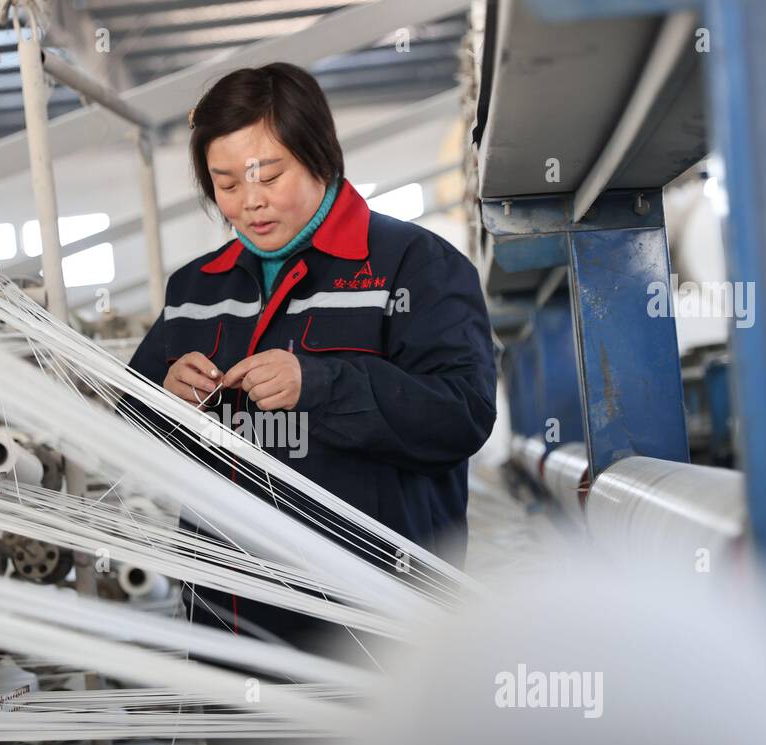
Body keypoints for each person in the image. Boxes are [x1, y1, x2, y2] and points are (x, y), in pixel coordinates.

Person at [126, 62, 496, 659]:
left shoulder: (413, 265)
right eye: (225, 184)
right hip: (233, 630)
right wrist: (163, 401)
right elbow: (131, 427)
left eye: (268, 175)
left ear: (320, 157)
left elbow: (463, 414)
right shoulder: (196, 290)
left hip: (382, 635)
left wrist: (321, 386)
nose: (250, 203)